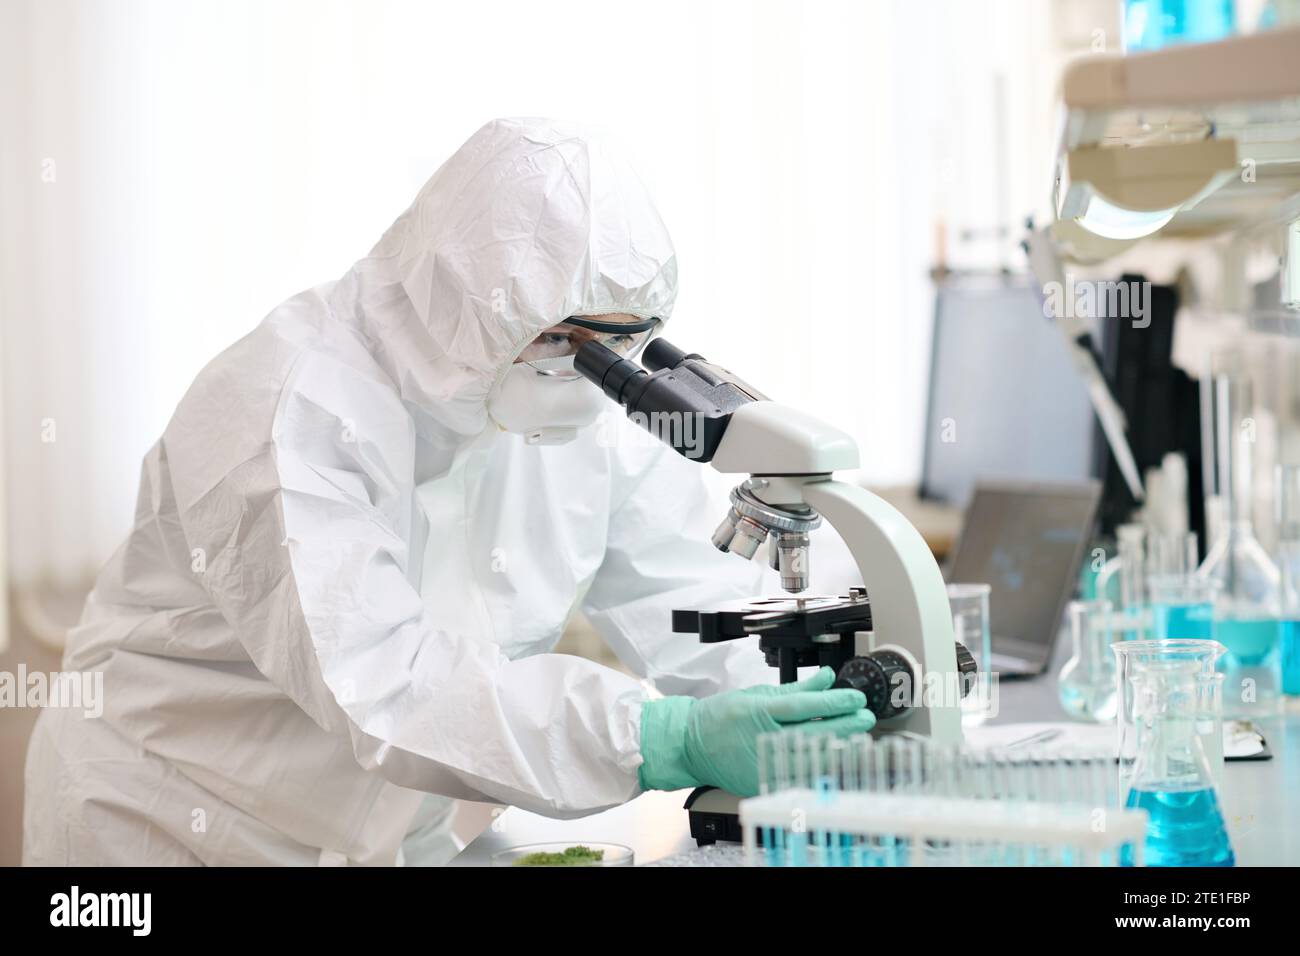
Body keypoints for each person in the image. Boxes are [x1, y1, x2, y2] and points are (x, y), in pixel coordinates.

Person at [23, 118, 873, 866]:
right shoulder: (289, 405)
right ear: (468, 300)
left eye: (623, 343)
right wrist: (659, 739)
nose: (592, 372)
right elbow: (389, 681)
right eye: (564, 339)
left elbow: (692, 588)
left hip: (394, 829)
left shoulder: (576, 401)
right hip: (175, 821)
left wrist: (809, 710)